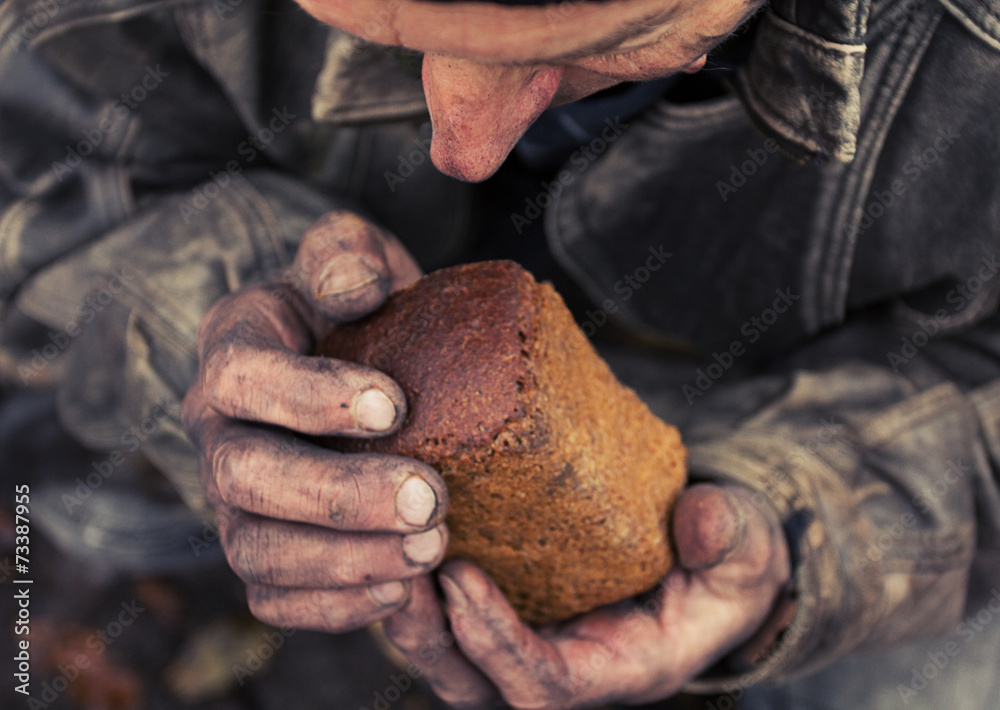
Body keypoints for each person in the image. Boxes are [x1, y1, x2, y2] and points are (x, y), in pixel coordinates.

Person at [1, 0, 998, 708]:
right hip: (384, 355)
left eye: (591, 37)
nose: (460, 142)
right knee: (107, 479)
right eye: (392, 27)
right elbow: (40, 180)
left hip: (826, 407)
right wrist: (209, 346)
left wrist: (798, 534)